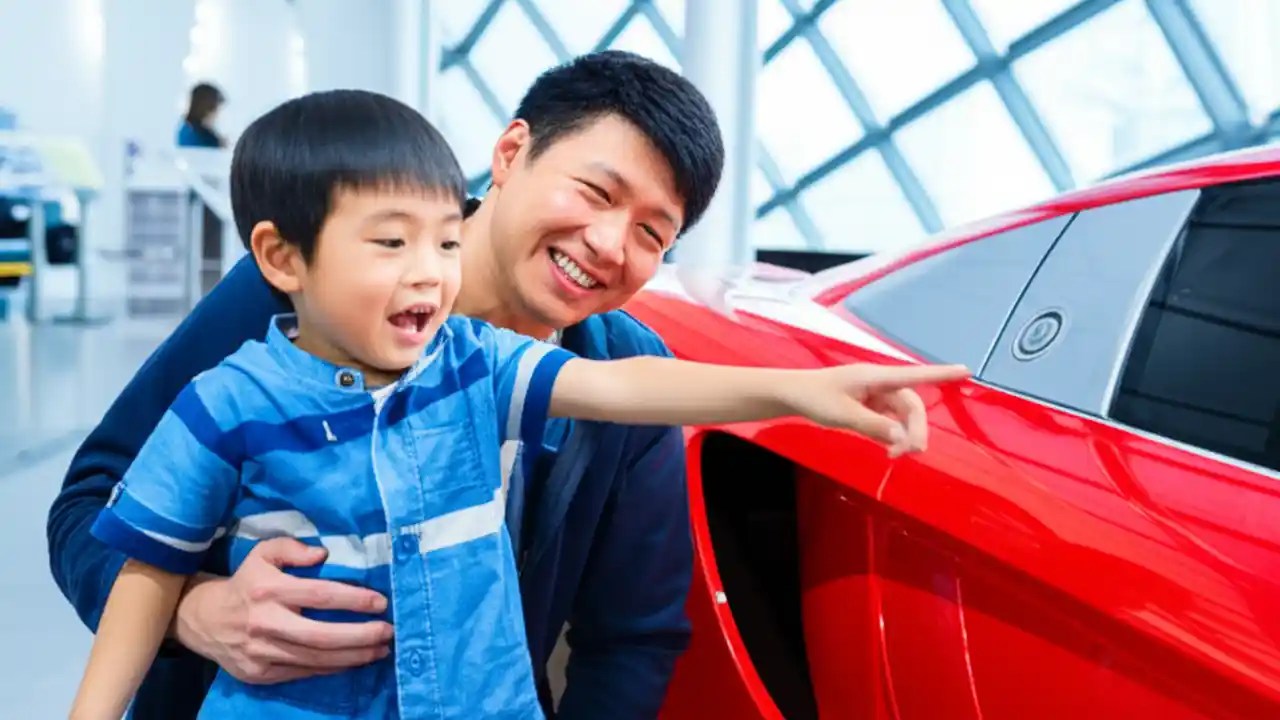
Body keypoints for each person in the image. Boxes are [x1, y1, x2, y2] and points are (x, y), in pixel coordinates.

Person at [47, 51, 951, 719]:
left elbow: (630, 637)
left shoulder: (574, 363)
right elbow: (95, 504)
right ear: (513, 152)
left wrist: (800, 389)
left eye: (652, 231)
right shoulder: (310, 293)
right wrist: (199, 614)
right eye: (596, 192)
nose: (609, 244)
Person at [177, 82, 226, 149]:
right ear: (207, 109)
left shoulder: (205, 132)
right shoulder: (191, 135)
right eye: (216, 110)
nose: (217, 115)